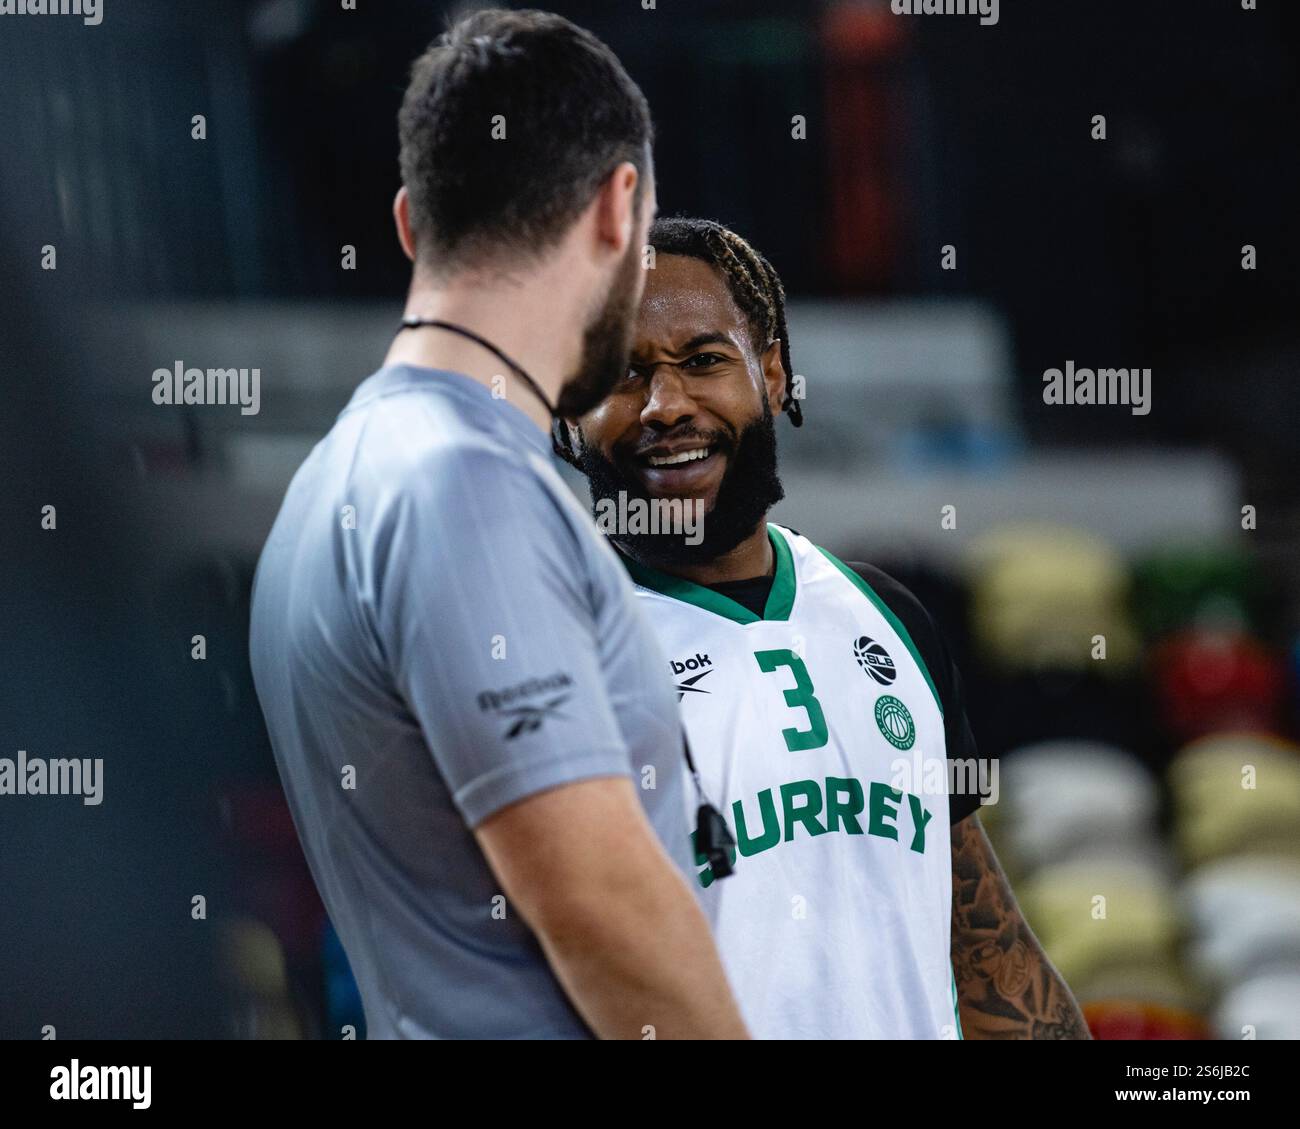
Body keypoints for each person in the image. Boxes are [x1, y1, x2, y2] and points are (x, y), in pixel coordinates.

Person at [249, 14, 747, 1040]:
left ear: (407, 224)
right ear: (618, 209)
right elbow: (601, 907)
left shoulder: (340, 479)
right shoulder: (461, 485)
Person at [565, 216, 1089, 1039]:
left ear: (771, 372)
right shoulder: (554, 654)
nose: (666, 405)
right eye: (623, 375)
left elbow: (985, 947)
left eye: (704, 360)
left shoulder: (890, 617)